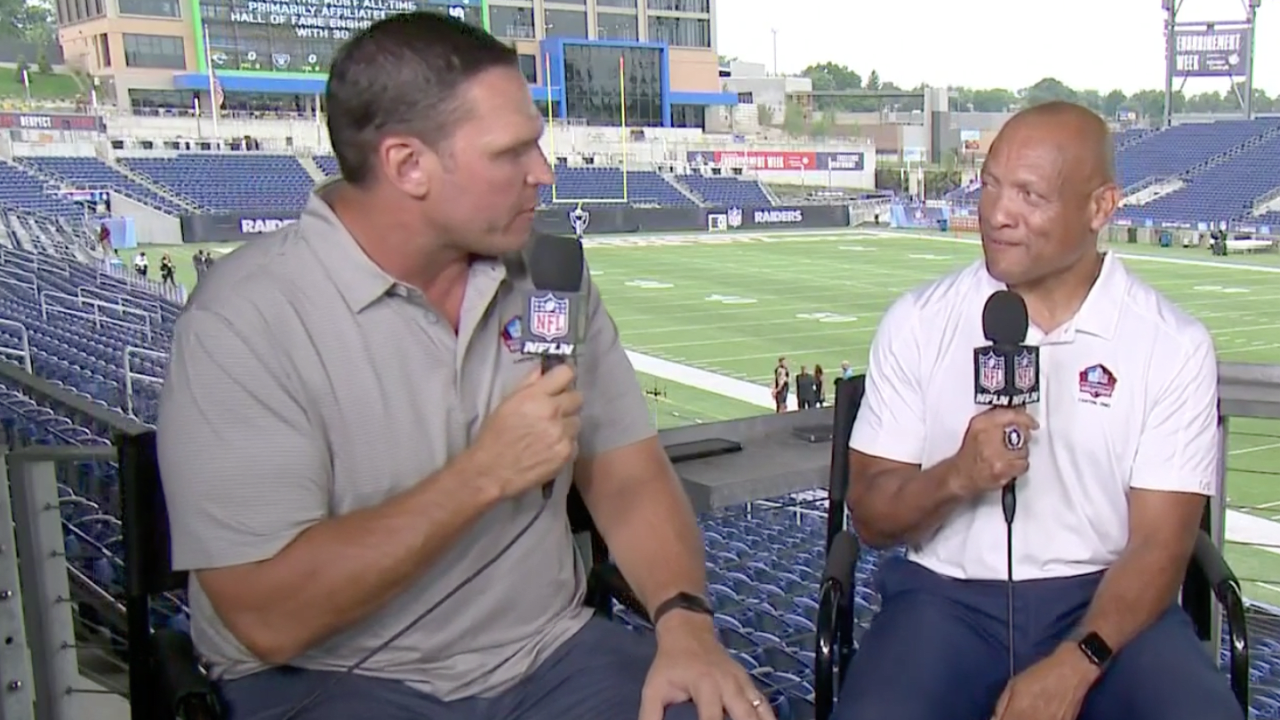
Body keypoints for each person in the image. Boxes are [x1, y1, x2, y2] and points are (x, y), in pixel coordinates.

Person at [156, 13, 771, 720]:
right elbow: (267, 617)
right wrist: (482, 475)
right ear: (408, 165)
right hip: (330, 678)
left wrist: (685, 621)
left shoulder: (548, 278)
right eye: (513, 152)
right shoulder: (243, 322)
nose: (543, 172)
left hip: (547, 656)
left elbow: (628, 476)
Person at [836, 101, 1240, 720]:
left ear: (1100, 207)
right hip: (943, 600)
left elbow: (1160, 546)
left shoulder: (1173, 344)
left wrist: (1079, 661)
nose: (997, 214)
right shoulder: (918, 322)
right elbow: (870, 515)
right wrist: (956, 476)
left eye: (1030, 194)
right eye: (992, 184)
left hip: (1108, 602)